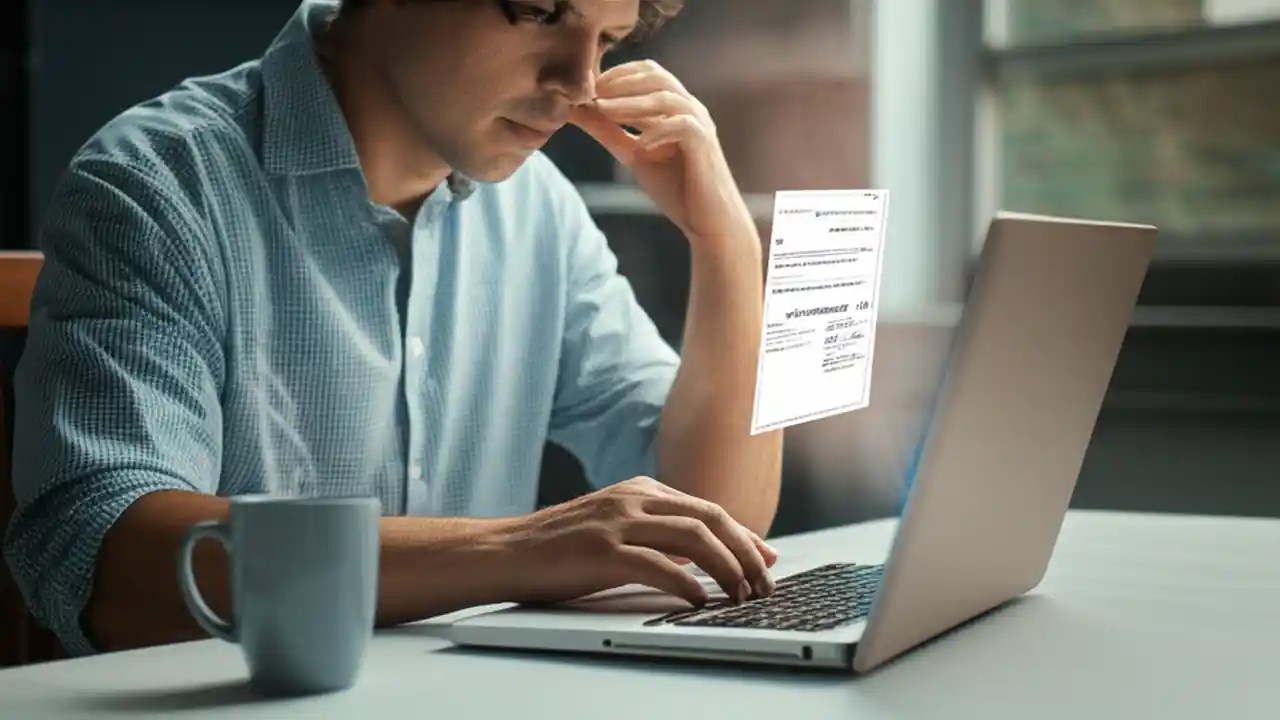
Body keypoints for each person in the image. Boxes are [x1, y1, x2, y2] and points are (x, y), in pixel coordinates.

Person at [4, 0, 783, 656]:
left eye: (607, 41)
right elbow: (101, 552)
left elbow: (714, 521)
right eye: (544, 13)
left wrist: (727, 246)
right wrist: (516, 551)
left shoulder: (540, 211)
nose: (578, 85)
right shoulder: (158, 185)